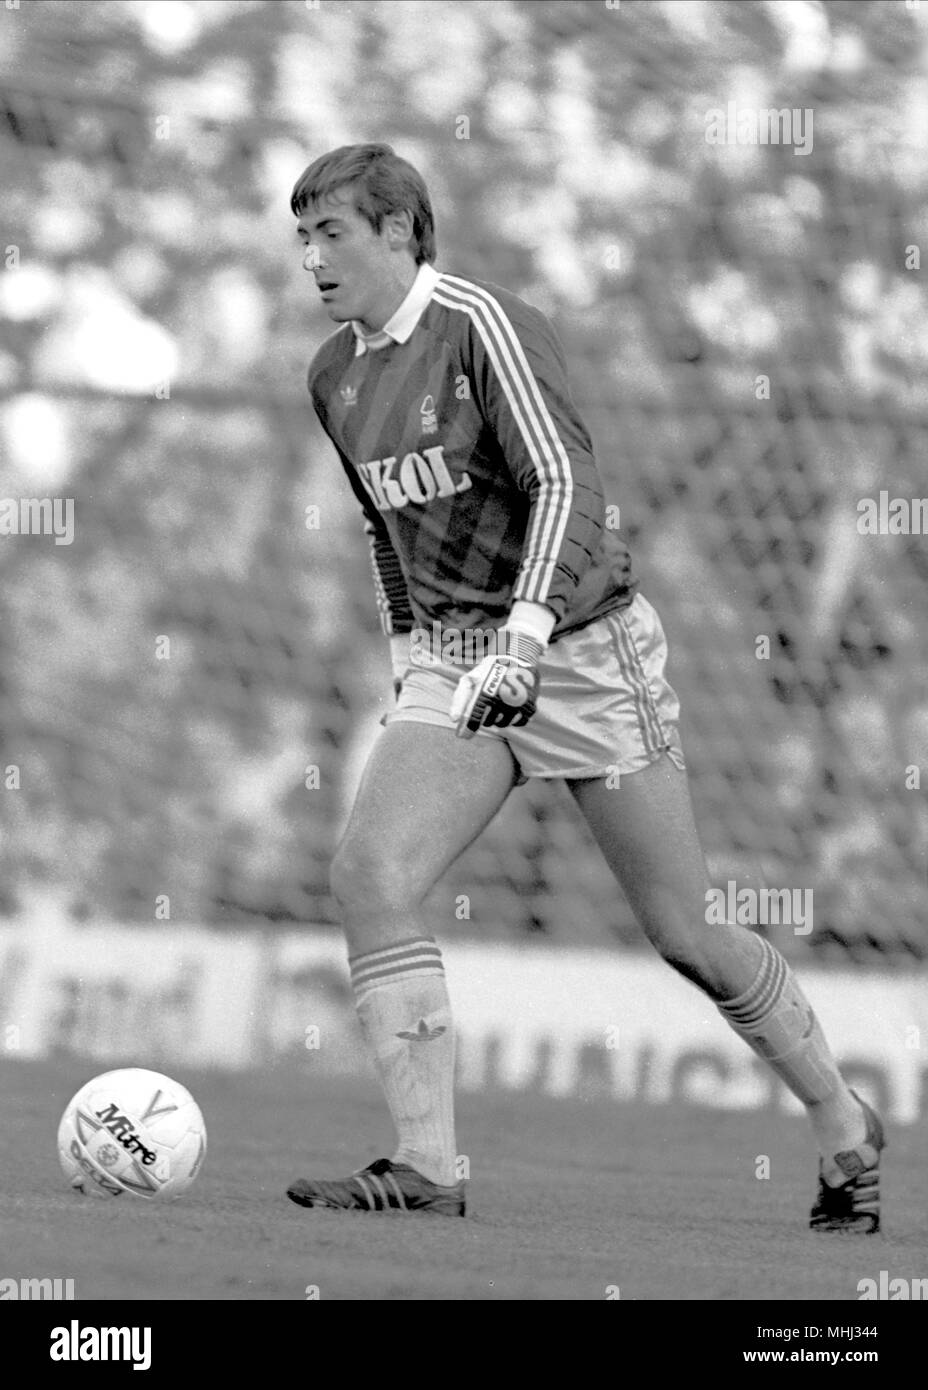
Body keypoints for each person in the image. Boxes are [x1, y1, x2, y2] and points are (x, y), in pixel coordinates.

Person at [285, 143, 882, 1231]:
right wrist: (410, 655)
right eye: (303, 235)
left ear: (400, 232)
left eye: (333, 232)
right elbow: (387, 533)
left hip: (581, 651)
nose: (314, 257)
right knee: (369, 872)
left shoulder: (482, 325)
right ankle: (427, 1165)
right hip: (458, 664)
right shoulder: (334, 375)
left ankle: (842, 1120)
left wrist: (525, 637)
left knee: (684, 930)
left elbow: (564, 482)